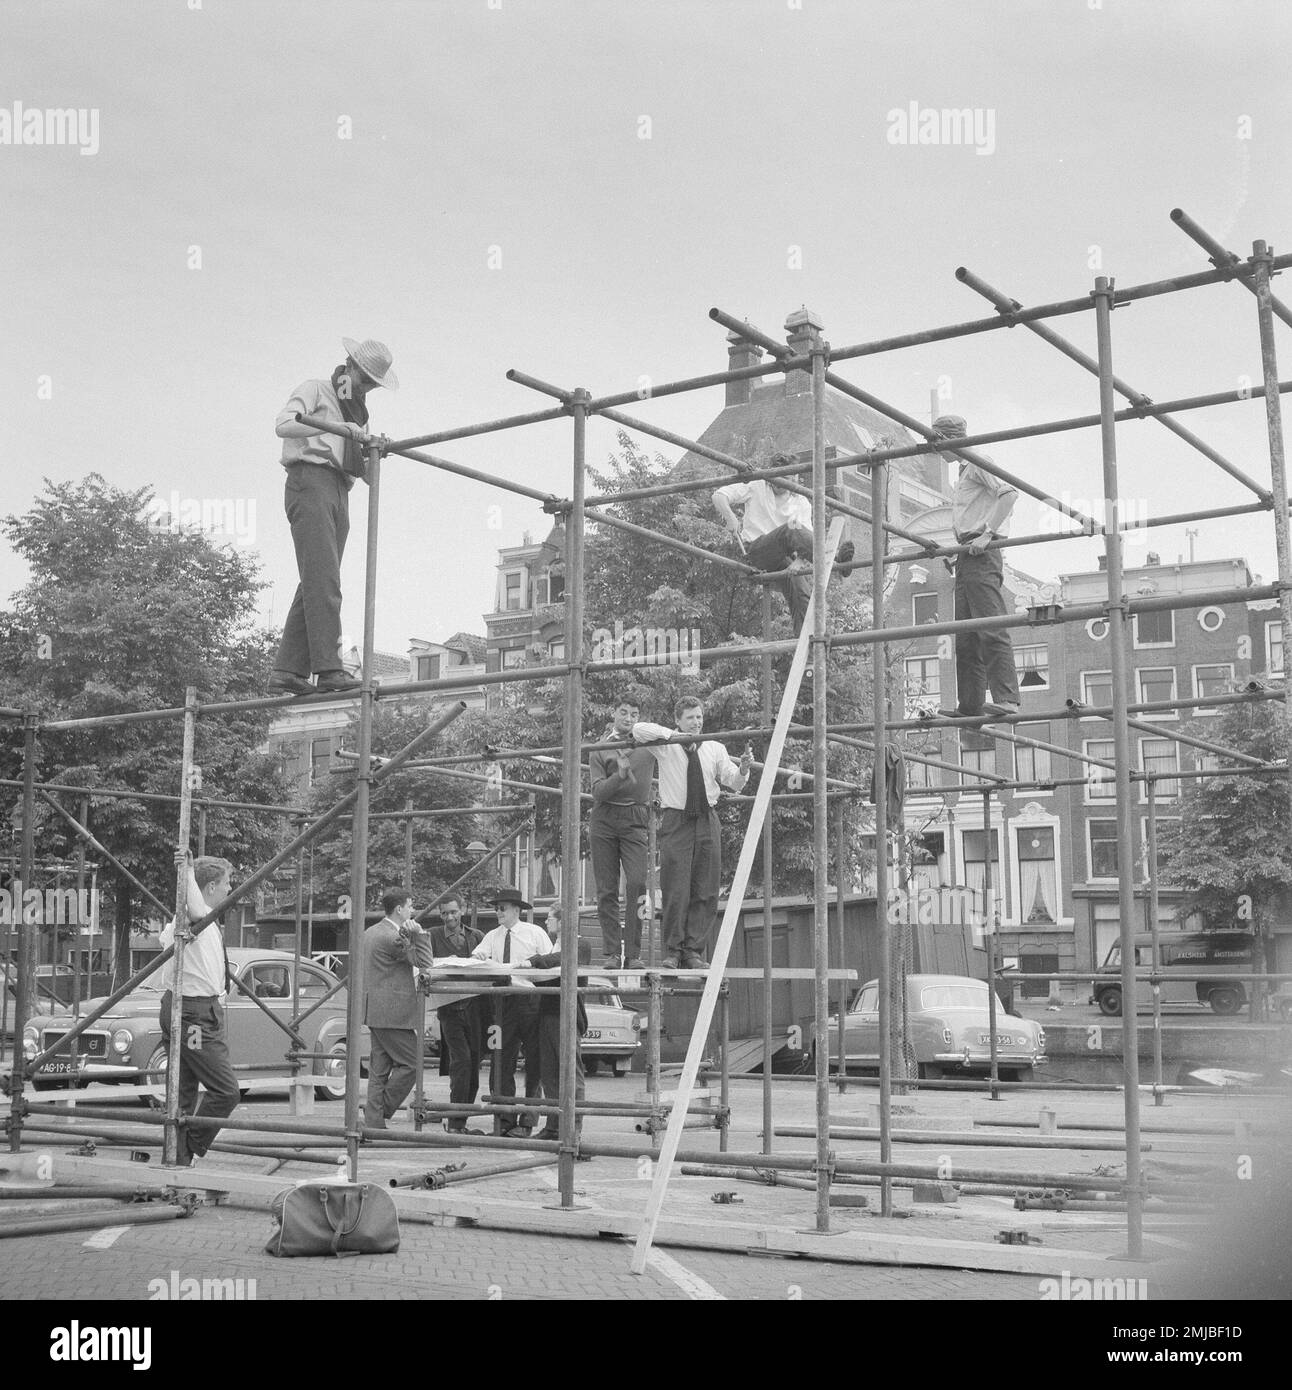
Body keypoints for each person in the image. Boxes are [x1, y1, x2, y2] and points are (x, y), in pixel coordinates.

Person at [270, 338, 398, 697]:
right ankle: (328, 670)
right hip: (310, 481)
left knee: (318, 579)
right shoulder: (317, 389)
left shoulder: (358, 412)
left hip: (340, 489)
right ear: (351, 367)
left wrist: (374, 451)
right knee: (324, 581)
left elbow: (364, 471)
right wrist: (334, 428)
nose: (368, 387)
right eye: (366, 379)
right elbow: (284, 424)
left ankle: (287, 669)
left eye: (374, 383)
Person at [633, 697, 754, 969]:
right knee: (676, 887)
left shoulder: (714, 747)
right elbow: (639, 730)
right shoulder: (667, 746)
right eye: (690, 718)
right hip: (677, 819)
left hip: (706, 817)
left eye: (699, 717)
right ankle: (673, 951)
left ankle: (693, 951)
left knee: (707, 887)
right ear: (678, 720)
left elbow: (733, 782)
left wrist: (744, 769)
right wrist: (675, 737)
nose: (696, 722)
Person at [158, 851, 240, 1167]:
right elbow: (192, 906)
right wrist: (189, 869)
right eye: (226, 883)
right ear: (208, 888)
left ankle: (177, 1156)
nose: (230, 889)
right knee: (226, 1091)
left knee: (183, 1088)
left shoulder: (195, 920)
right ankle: (187, 1145)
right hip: (193, 1015)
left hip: (189, 1009)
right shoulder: (196, 914)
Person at [712, 453, 854, 634]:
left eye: (790, 478)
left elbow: (806, 539)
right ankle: (835, 560)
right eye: (782, 478)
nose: (786, 483)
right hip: (757, 552)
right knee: (790, 529)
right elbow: (719, 495)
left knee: (802, 594)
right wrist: (730, 517)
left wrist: (799, 562)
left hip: (786, 558)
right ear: (771, 475)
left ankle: (808, 653)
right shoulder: (757, 485)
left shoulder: (801, 500)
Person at [936, 415, 1020, 717]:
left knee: (990, 624)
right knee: (966, 633)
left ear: (947, 438)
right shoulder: (964, 470)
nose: (936, 449)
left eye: (936, 441)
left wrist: (987, 534)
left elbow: (1009, 493)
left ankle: (1008, 699)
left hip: (981, 551)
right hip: (967, 552)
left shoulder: (978, 460)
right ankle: (970, 706)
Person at [471, 887, 552, 1137]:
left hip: (530, 1001)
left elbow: (550, 962)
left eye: (502, 908)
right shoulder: (493, 936)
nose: (498, 912)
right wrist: (481, 961)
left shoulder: (535, 933)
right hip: (502, 1003)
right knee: (500, 1059)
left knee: (534, 1062)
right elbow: (476, 956)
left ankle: (528, 1120)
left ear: (517, 910)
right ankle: (504, 1119)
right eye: (496, 908)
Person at [588, 696, 655, 969]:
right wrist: (620, 775)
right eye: (624, 713)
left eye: (634, 713)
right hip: (604, 817)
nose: (628, 718)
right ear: (613, 714)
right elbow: (597, 792)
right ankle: (613, 953)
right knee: (606, 889)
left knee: (637, 883)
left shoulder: (649, 745)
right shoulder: (600, 748)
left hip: (635, 816)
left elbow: (678, 738)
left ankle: (634, 954)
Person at [361, 889, 432, 1132]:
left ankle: (373, 1121)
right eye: (410, 907)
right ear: (399, 909)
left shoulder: (370, 932)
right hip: (393, 1013)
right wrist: (419, 934)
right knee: (413, 1063)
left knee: (379, 1069)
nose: (412, 911)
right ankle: (379, 1111)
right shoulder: (392, 937)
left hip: (375, 1009)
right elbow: (424, 962)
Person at [526, 905, 591, 1143]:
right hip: (548, 1013)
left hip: (567, 1015)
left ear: (564, 921)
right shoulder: (553, 945)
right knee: (550, 1074)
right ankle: (554, 1127)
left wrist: (533, 962)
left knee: (571, 1073)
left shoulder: (579, 944)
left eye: (550, 918)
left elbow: (562, 960)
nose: (546, 922)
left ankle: (573, 1130)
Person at [425, 894, 486, 1136]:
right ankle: (455, 1121)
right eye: (444, 913)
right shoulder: (432, 936)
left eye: (453, 912)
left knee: (474, 1064)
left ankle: (461, 1118)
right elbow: (424, 965)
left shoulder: (476, 936)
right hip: (449, 1009)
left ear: (461, 910)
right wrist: (443, 963)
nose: (449, 917)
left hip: (475, 1009)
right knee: (460, 1062)